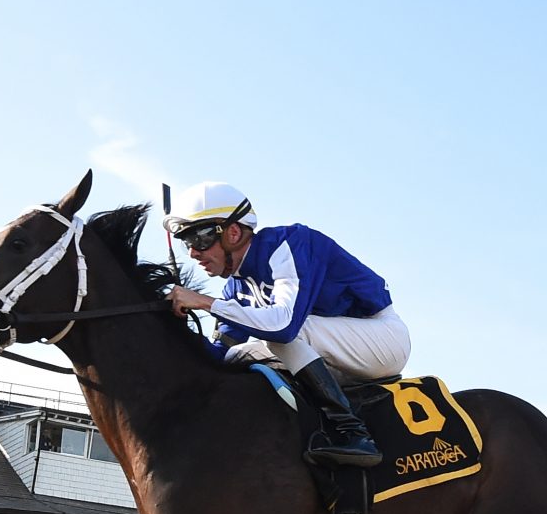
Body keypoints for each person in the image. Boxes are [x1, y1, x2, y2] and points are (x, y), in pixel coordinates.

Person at [163, 182, 406, 468]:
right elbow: (221, 355)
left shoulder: (288, 244)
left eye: (200, 238)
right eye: (187, 243)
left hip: (382, 339)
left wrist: (206, 302)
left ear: (233, 232)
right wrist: (172, 330)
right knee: (237, 356)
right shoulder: (235, 289)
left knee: (283, 334)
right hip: (334, 356)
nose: (193, 253)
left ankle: (354, 433)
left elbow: (285, 327)